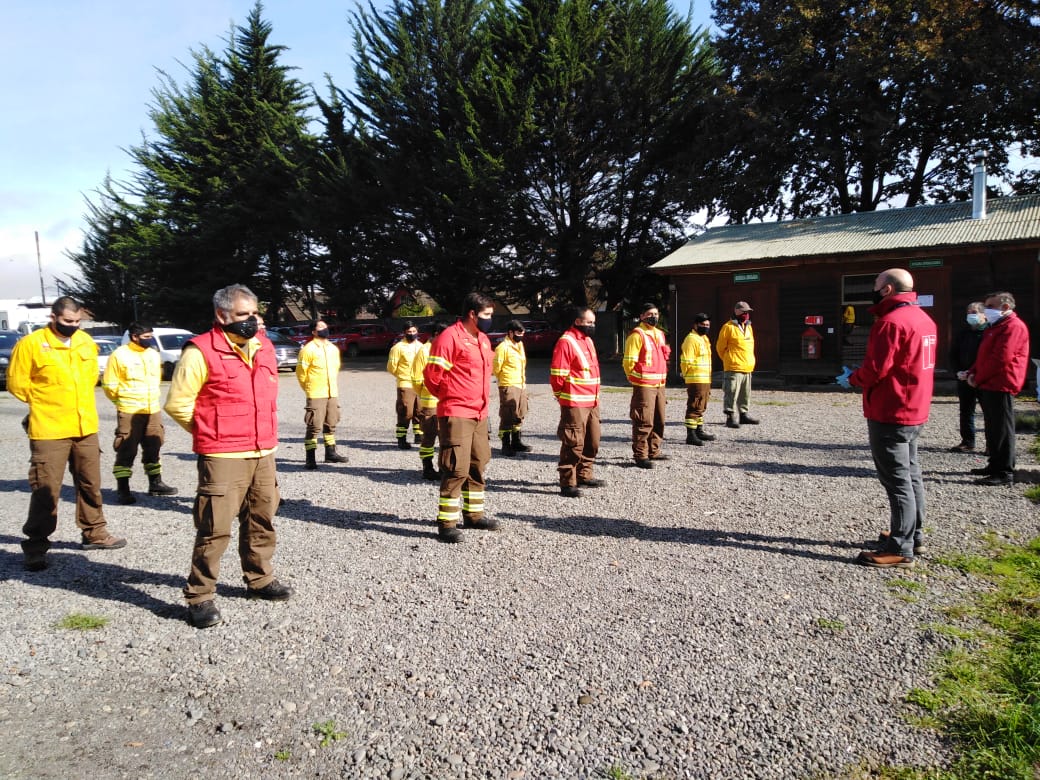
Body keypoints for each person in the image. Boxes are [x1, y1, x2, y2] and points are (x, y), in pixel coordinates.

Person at [165, 284, 292, 628]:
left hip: (263, 451)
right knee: (214, 528)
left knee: (261, 519)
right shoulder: (199, 351)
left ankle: (259, 579)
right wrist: (210, 433)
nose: (251, 321)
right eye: (242, 315)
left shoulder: (263, 347)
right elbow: (178, 404)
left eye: (253, 313)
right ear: (221, 315)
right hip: (222, 455)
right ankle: (200, 595)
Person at [7, 296, 128, 571]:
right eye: (67, 322)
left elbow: (88, 380)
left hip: (85, 427)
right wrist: (45, 402)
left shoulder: (85, 342)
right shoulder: (31, 344)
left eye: (77, 322)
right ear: (53, 317)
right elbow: (17, 383)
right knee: (46, 489)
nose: (73, 326)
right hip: (49, 428)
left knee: (90, 483)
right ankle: (36, 546)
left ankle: (94, 533)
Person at [845, 268, 936, 569]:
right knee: (911, 475)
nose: (872, 289)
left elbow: (876, 369)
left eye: (875, 285)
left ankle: (900, 547)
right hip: (914, 408)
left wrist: (854, 378)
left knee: (897, 481)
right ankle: (913, 534)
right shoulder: (923, 319)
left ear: (886, 290)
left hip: (891, 409)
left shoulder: (891, 323)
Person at [423, 293, 496, 542]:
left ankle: (474, 515)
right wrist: (452, 397)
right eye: (486, 315)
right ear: (473, 314)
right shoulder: (449, 337)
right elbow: (432, 376)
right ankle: (446, 523)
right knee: (456, 468)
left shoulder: (483, 340)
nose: (490, 319)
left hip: (479, 412)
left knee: (478, 463)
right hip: (457, 413)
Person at [101, 321, 178, 504]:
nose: (150, 340)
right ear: (134, 337)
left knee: (154, 445)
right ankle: (123, 488)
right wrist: (121, 403)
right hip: (129, 410)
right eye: (146, 337)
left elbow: (156, 379)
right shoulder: (119, 355)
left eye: (151, 336)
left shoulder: (152, 354)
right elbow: (110, 385)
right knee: (126, 449)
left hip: (152, 409)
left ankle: (155, 483)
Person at [966, 291, 1031, 486]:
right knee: (993, 427)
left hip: (1002, 382)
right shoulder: (997, 326)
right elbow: (985, 354)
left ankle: (1004, 471)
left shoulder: (1013, 327)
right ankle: (994, 464)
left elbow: (1001, 359)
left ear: (1005, 307)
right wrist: (972, 371)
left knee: (1002, 428)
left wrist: (978, 377)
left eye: (991, 306)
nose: (987, 310)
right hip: (990, 382)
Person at [550, 306, 603, 498]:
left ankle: (584, 474)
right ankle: (567, 482)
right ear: (578, 321)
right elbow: (557, 375)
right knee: (573, 443)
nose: (592, 326)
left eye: (594, 322)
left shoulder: (587, 340)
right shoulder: (567, 341)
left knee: (592, 440)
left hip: (592, 400)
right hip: (574, 401)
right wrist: (562, 396)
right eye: (589, 322)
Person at [622, 303, 671, 468]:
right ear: (642, 316)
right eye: (650, 314)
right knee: (644, 421)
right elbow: (629, 363)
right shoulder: (637, 335)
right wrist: (637, 380)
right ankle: (641, 455)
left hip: (659, 385)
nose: (654, 317)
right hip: (644, 385)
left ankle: (654, 451)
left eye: (656, 314)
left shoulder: (660, 334)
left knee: (659, 420)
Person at [296, 319, 348, 469]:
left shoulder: (332, 348)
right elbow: (301, 374)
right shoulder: (308, 349)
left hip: (332, 391)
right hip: (316, 392)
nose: (324, 329)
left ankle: (330, 453)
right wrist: (309, 389)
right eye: (320, 327)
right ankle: (310, 458)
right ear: (314, 331)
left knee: (331, 423)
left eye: (326, 326)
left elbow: (336, 368)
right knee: (314, 426)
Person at [949, 302, 986, 453]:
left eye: (975, 312)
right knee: (966, 411)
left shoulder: (988, 333)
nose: (971, 315)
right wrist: (958, 372)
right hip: (964, 378)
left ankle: (991, 444)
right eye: (969, 312)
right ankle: (968, 441)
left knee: (988, 413)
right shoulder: (963, 333)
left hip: (982, 379)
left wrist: (977, 374)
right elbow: (953, 354)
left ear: (983, 314)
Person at [413, 321, 448, 480]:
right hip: (429, 404)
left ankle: (444, 468)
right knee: (428, 437)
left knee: (445, 437)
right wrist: (425, 393)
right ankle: (427, 467)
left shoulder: (446, 350)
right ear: (435, 334)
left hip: (446, 403)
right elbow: (416, 378)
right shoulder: (424, 351)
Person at [716, 301, 758, 428]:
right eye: (744, 312)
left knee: (745, 393)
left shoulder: (749, 326)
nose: (746, 314)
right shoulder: (728, 327)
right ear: (736, 311)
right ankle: (730, 417)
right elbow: (720, 347)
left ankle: (743, 414)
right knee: (731, 392)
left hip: (747, 367)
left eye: (748, 312)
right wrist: (729, 359)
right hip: (733, 367)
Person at [493, 319, 531, 457]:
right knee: (507, 416)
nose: (521, 335)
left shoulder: (519, 345)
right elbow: (496, 368)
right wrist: (505, 381)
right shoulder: (502, 348)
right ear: (510, 332)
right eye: (518, 333)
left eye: (523, 333)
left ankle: (516, 442)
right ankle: (506, 445)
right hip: (508, 384)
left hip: (521, 384)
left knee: (519, 414)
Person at [679, 313, 716, 446]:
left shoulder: (704, 338)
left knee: (702, 405)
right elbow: (685, 360)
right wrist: (686, 375)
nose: (705, 327)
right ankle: (691, 434)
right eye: (703, 325)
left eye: (707, 325)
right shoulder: (691, 339)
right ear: (695, 325)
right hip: (696, 378)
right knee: (694, 405)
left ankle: (699, 430)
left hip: (705, 378)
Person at [387, 321, 424, 449]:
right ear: (404, 332)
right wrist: (402, 377)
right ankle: (401, 439)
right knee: (405, 412)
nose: (412, 334)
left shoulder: (421, 346)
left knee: (419, 411)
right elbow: (391, 367)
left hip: (420, 383)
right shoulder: (398, 348)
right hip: (406, 383)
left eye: (414, 331)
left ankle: (418, 436)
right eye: (409, 332)